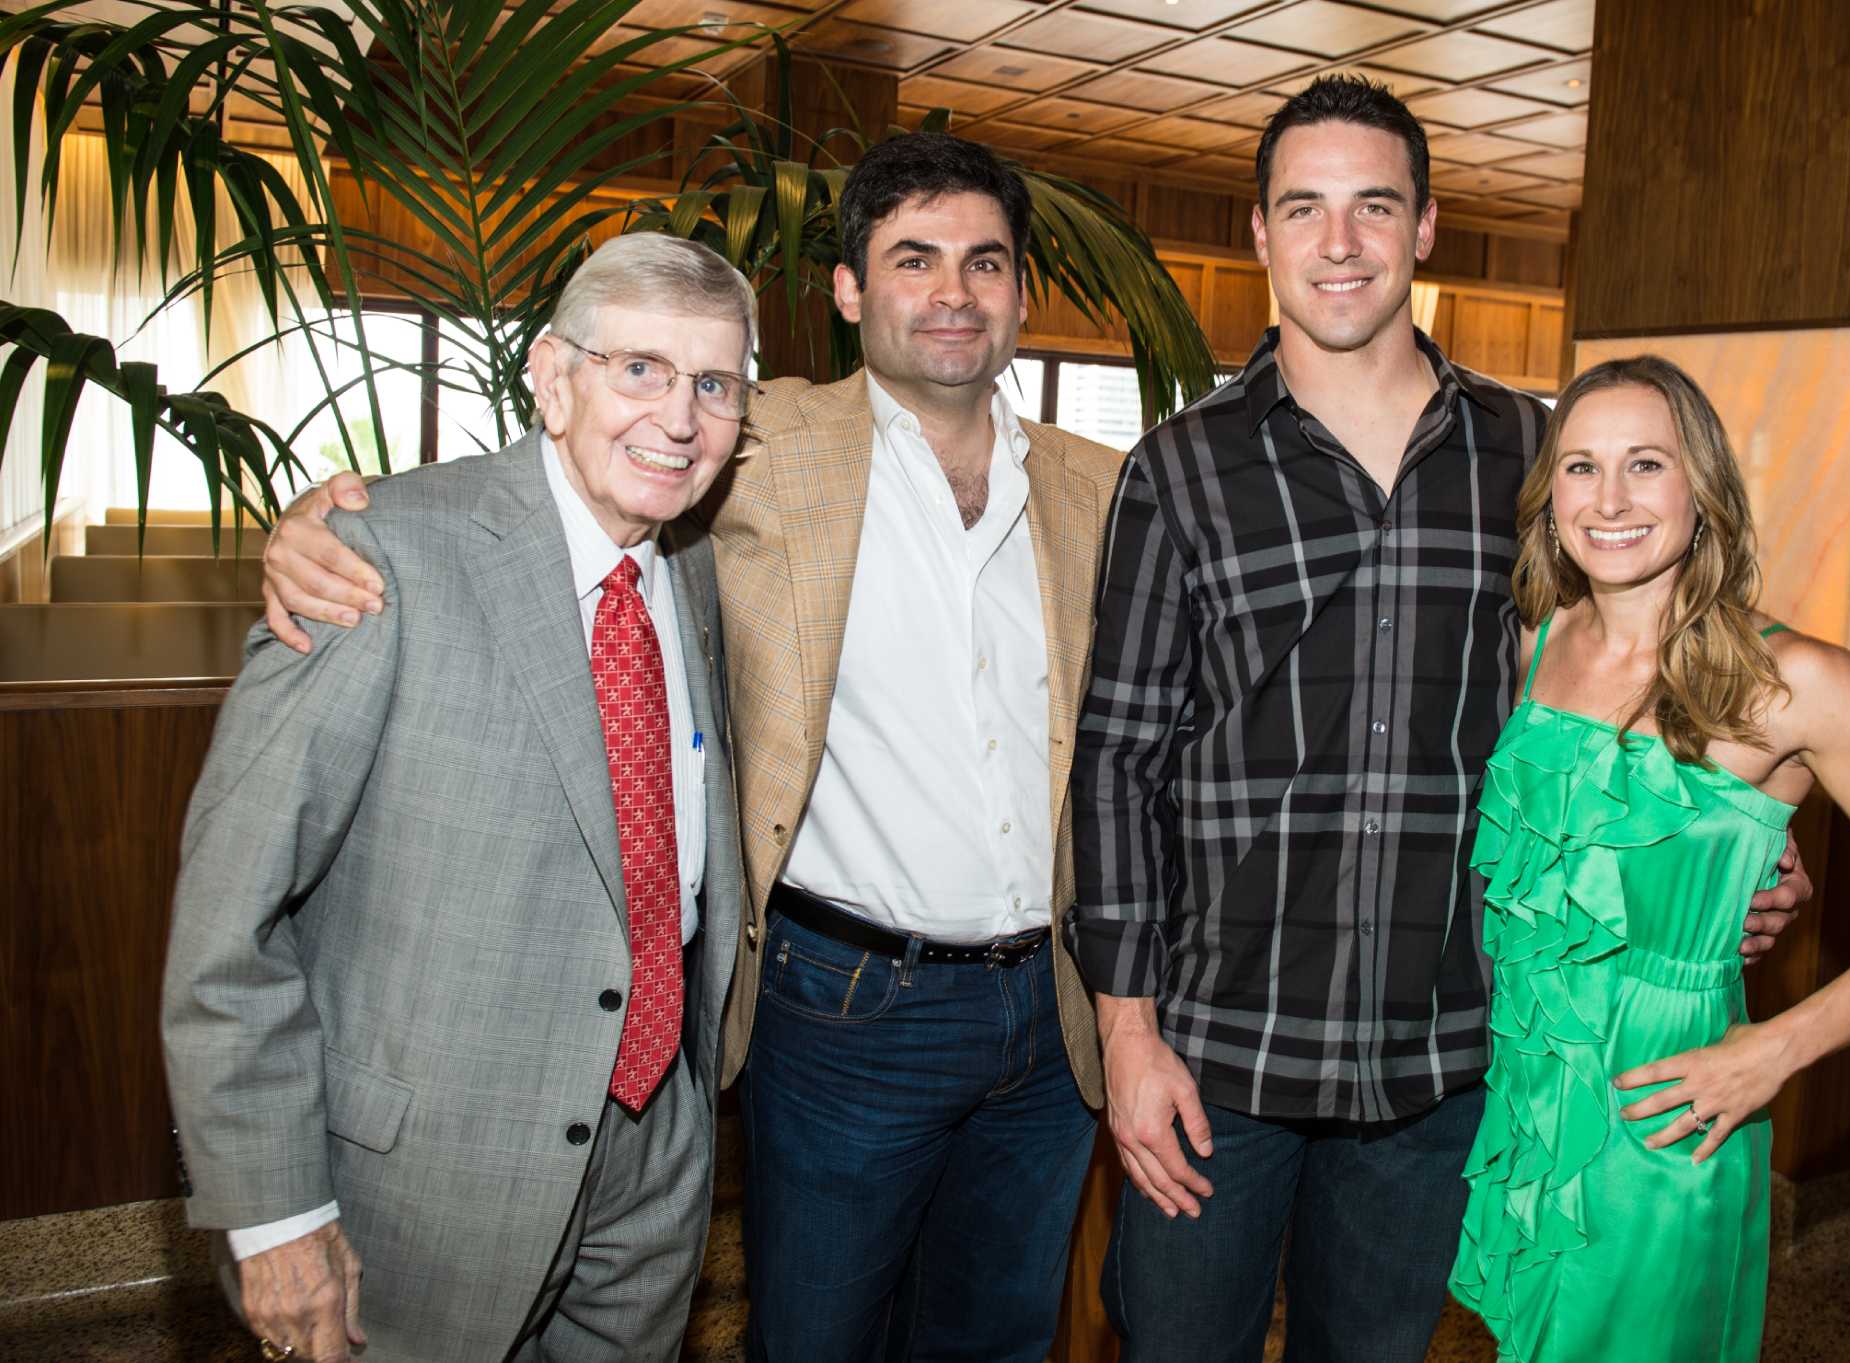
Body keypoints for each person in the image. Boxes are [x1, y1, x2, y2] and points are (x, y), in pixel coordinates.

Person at [255, 132, 1126, 1363]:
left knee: (995, 1338)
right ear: (846, 291)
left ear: (1022, 291)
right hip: (845, 1006)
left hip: (1048, 1015)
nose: (952, 292)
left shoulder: (1101, 486)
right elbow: (553, 481)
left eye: (985, 262)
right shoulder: (742, 438)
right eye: (912, 258)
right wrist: (325, 523)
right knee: (813, 1336)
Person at [1067, 77, 1812, 1363]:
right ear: (1258, 234)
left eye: (1373, 206)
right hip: (1218, 1057)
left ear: (1423, 229)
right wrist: (1125, 1034)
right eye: (1303, 208)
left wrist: (1741, 843)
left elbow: (1647, 675)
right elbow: (1117, 765)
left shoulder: (1535, 457)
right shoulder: (1179, 469)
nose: (1337, 240)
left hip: (1445, 1057)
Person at [161, 234, 753, 1363]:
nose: (678, 419)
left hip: (655, 1157)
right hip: (423, 1184)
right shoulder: (378, 554)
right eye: (638, 368)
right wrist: (274, 1212)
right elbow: (228, 920)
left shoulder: (695, 567)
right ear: (550, 374)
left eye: (713, 384)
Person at [1449, 355, 1850, 1361]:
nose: (1607, 499)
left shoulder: (1797, 680)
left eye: (1644, 464)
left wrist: (1774, 1049)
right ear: (1547, 496)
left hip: (1667, 1114)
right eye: (1579, 467)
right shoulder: (1538, 638)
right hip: (1525, 1099)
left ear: (1700, 489)